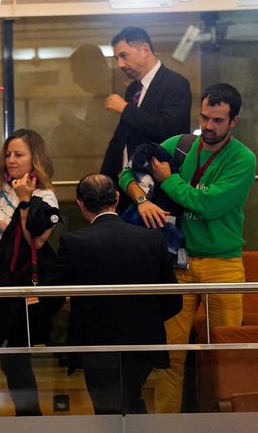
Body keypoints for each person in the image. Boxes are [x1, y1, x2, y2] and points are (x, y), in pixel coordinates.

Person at [119, 82, 256, 413]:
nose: (208, 126)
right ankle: (168, 430)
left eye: (218, 120)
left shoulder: (243, 159)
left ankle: (225, 425)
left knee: (226, 355)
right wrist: (141, 202)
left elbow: (207, 205)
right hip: (177, 264)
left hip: (221, 265)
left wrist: (167, 180)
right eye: (204, 116)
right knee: (170, 356)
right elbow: (126, 175)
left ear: (233, 121)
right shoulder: (179, 145)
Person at [48, 174, 181, 414]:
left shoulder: (74, 242)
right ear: (117, 198)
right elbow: (173, 299)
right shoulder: (151, 239)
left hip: (96, 345)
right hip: (143, 342)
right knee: (131, 399)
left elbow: (52, 291)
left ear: (80, 204)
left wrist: (70, 302)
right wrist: (144, 318)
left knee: (107, 409)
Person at [0, 68, 59, 416]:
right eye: (8, 155)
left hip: (17, 289)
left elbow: (35, 241)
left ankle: (30, 418)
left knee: (13, 360)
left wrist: (25, 203)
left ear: (33, 158)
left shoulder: (45, 196)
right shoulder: (4, 182)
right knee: (1, 357)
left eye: (18, 155)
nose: (9, 160)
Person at [100, 26, 192, 196]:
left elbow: (169, 129)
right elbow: (123, 137)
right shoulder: (133, 88)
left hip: (158, 186)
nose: (119, 64)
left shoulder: (175, 84)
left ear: (145, 50)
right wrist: (104, 179)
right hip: (126, 184)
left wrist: (125, 108)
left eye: (124, 56)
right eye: (116, 58)